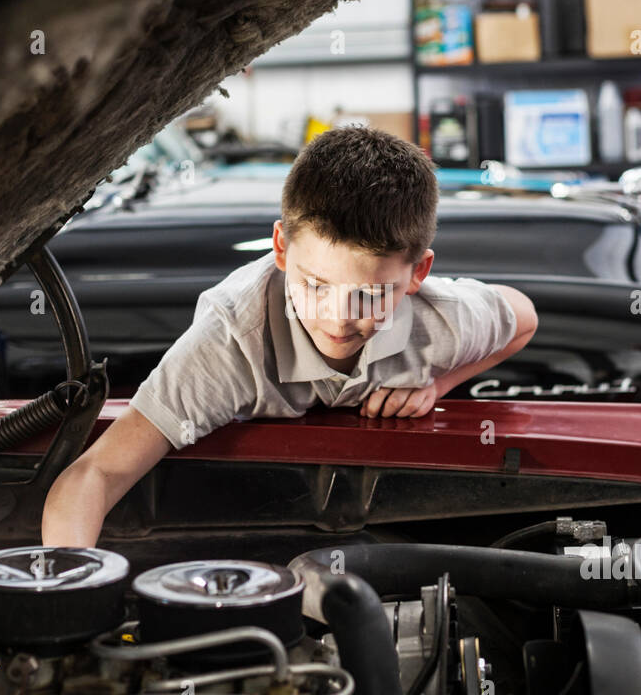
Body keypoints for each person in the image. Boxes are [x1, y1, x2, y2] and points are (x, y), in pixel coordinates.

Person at [41, 127, 537, 546]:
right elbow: (97, 474)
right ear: (280, 247)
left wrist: (438, 385)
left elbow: (524, 318)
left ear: (417, 274)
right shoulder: (229, 344)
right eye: (315, 285)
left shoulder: (441, 320)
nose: (338, 319)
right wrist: (71, 591)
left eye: (369, 295)